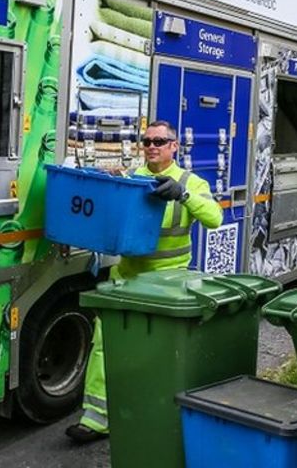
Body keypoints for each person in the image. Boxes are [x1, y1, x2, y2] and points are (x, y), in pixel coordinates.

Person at [65, 120, 223, 443]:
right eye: (147, 141)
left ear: (174, 146)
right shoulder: (134, 179)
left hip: (167, 284)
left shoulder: (191, 182)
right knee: (104, 346)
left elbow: (214, 217)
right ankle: (97, 419)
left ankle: (155, 414)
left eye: (159, 141)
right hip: (126, 278)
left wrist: (184, 195)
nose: (152, 146)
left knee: (157, 353)